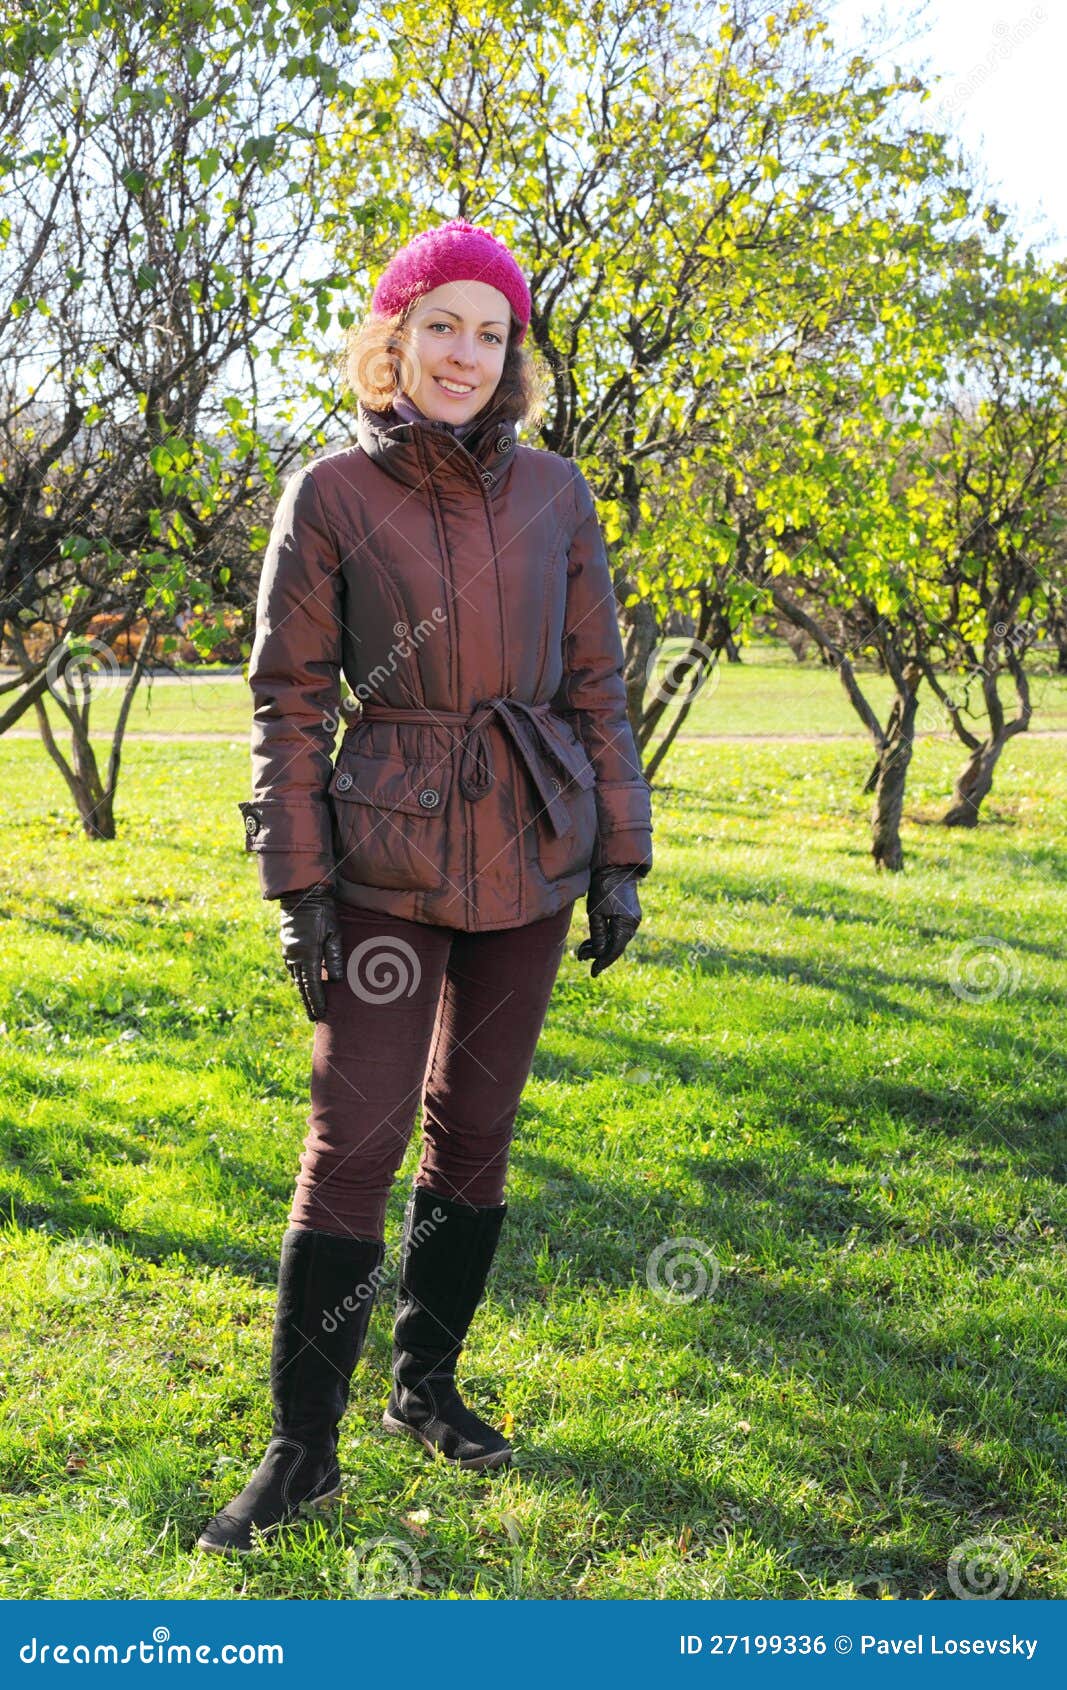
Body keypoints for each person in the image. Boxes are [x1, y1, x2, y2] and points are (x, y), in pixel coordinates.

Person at [197, 219, 654, 1555]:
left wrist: (620, 853)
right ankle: (301, 1451)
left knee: (477, 1136)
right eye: (440, 324)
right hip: (383, 857)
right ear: (392, 337)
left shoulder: (559, 497)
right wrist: (298, 882)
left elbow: (597, 686)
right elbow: (285, 696)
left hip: (533, 849)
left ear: (516, 355)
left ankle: (424, 1386)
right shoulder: (331, 492)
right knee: (355, 1142)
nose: (465, 352)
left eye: (491, 332)